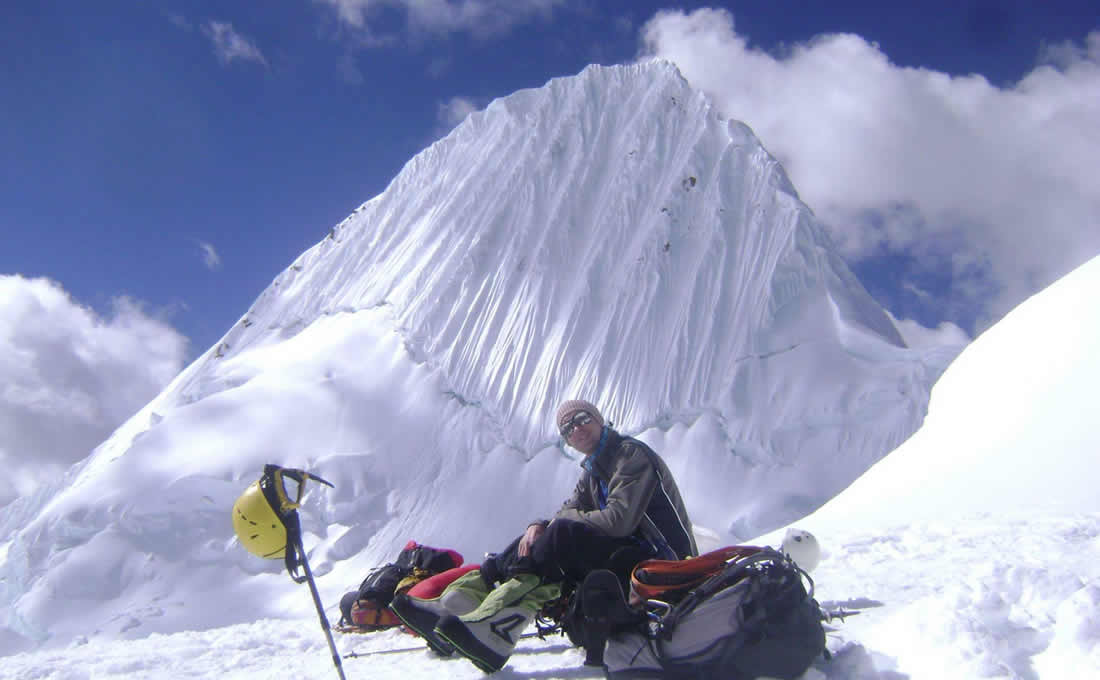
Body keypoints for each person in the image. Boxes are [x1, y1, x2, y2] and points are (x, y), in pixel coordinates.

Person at [390, 398, 697, 673]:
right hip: (630, 558)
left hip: (666, 565)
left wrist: (558, 524)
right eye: (567, 428)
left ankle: (491, 624)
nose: (576, 429)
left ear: (598, 420)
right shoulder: (594, 471)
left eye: (581, 419)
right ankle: (464, 603)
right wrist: (538, 525)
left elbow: (617, 522)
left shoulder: (629, 456)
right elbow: (569, 511)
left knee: (561, 532)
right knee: (542, 534)